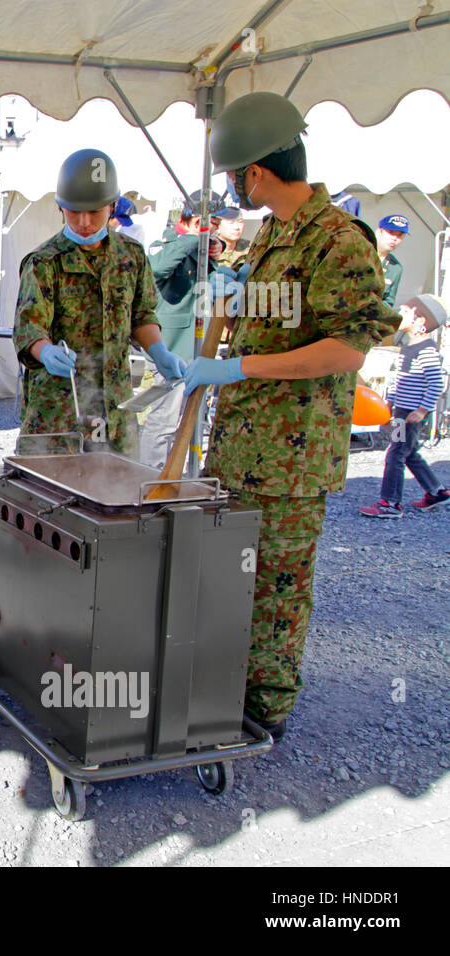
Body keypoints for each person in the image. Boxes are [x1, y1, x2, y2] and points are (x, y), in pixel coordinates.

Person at [184, 91, 401, 741]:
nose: (231, 188)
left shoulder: (339, 239)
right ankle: (221, 682)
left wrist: (240, 369)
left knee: (276, 587)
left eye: (232, 176)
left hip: (292, 456)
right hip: (239, 446)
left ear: (255, 172)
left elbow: (348, 348)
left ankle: (266, 706)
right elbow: (265, 325)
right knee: (228, 572)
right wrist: (225, 315)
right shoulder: (271, 234)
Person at [11, 148, 186, 458]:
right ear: (60, 207)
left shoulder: (130, 256)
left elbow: (142, 315)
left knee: (118, 493)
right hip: (59, 412)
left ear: (113, 206)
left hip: (114, 408)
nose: (84, 221)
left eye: (94, 211)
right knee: (53, 496)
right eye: (73, 211)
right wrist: (46, 350)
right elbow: (28, 327)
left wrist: (159, 350)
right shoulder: (44, 262)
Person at [138, 190, 231, 469]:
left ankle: (176, 474)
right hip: (170, 348)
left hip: (198, 348)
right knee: (163, 421)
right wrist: (194, 239)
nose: (214, 229)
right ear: (194, 220)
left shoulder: (206, 251)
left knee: (191, 421)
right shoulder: (167, 243)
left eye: (215, 225)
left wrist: (215, 252)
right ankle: (149, 476)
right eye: (210, 222)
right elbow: (157, 268)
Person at [361, 294, 450, 517]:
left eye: (406, 310)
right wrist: (390, 401)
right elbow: (400, 380)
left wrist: (422, 410)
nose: (400, 311)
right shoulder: (407, 346)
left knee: (396, 454)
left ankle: (390, 503)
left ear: (421, 322)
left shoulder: (426, 351)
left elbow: (437, 383)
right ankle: (436, 491)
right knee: (409, 453)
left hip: (411, 415)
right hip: (402, 411)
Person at [375, 214, 408, 309]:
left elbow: (388, 302)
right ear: (378, 232)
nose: (395, 238)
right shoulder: (359, 253)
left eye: (400, 235)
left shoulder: (395, 268)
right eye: (391, 232)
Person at [215, 205, 250, 269]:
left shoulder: (250, 248)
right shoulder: (211, 248)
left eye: (240, 222)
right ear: (218, 225)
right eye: (231, 222)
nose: (237, 227)